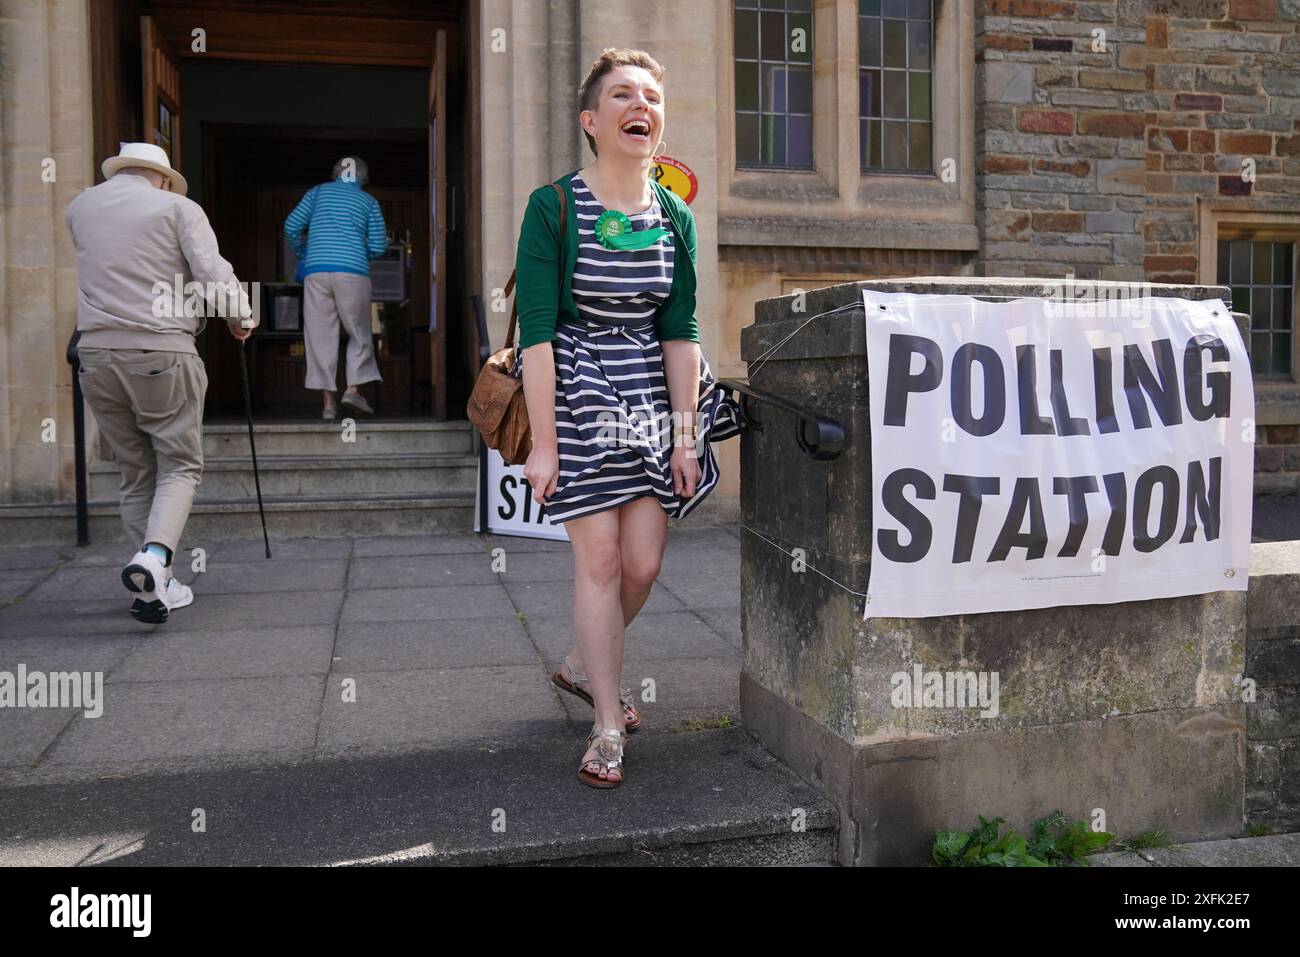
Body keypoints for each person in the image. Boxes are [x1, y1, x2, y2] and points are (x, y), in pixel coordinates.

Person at [512, 49, 741, 787]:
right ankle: (607, 721)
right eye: (620, 94)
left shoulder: (674, 215)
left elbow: (681, 332)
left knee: (644, 562)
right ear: (592, 120)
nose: (639, 103)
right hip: (576, 386)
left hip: (648, 391)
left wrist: (685, 433)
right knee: (601, 559)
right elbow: (537, 335)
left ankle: (583, 663)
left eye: (649, 94)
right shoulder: (553, 208)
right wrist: (542, 445)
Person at [64, 142, 256, 624]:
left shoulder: (79, 208)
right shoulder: (178, 208)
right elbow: (211, 272)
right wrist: (240, 316)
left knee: (134, 471)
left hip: (95, 352)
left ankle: (155, 586)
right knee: (179, 466)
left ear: (120, 172)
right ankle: (154, 558)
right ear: (164, 177)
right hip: (161, 350)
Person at [283, 156, 388, 419]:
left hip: (316, 271)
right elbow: (378, 245)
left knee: (319, 335)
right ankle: (352, 389)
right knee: (359, 331)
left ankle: (328, 404)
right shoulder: (368, 201)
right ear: (363, 179)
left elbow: (291, 226)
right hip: (352, 272)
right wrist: (357, 252)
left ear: (335, 174)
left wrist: (304, 253)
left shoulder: (317, 193)